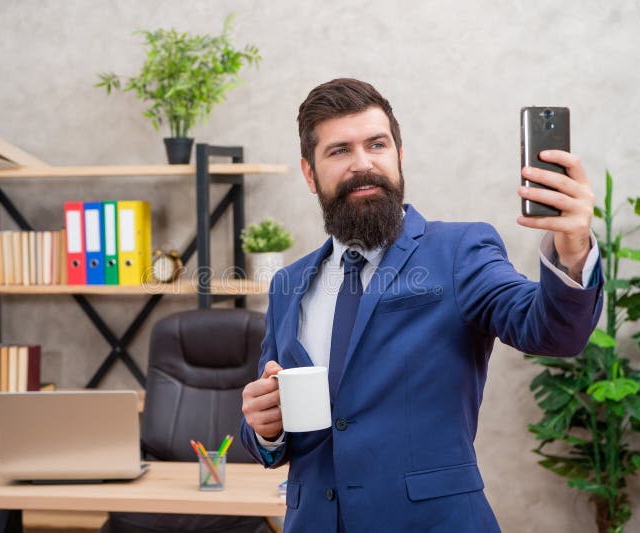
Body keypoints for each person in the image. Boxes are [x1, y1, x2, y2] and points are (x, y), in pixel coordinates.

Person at [240, 78, 603, 532]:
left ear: (399, 155)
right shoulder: (287, 285)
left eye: (377, 144)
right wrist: (264, 428)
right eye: (339, 151)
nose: (363, 164)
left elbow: (553, 332)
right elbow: (274, 435)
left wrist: (573, 248)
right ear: (309, 172)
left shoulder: (459, 251)